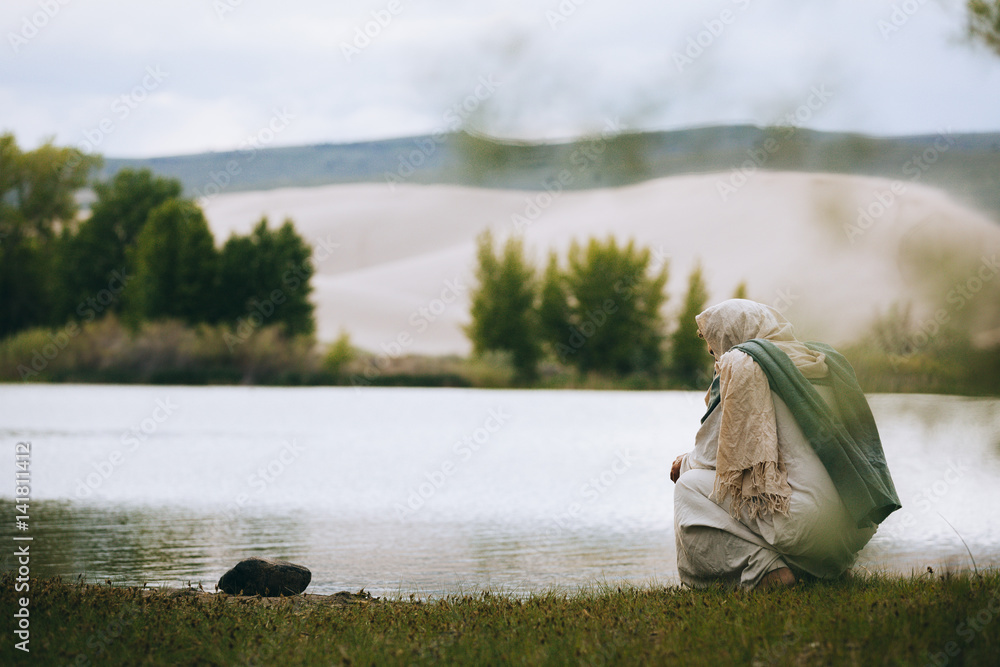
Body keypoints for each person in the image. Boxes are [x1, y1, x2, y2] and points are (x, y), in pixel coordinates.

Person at [670, 299, 900, 589]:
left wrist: (683, 463)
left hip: (802, 526)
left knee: (689, 485)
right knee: (766, 491)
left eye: (714, 347)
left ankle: (765, 572)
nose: (715, 357)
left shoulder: (742, 365)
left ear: (731, 337)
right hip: (852, 528)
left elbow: (710, 457)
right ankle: (822, 570)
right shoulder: (822, 361)